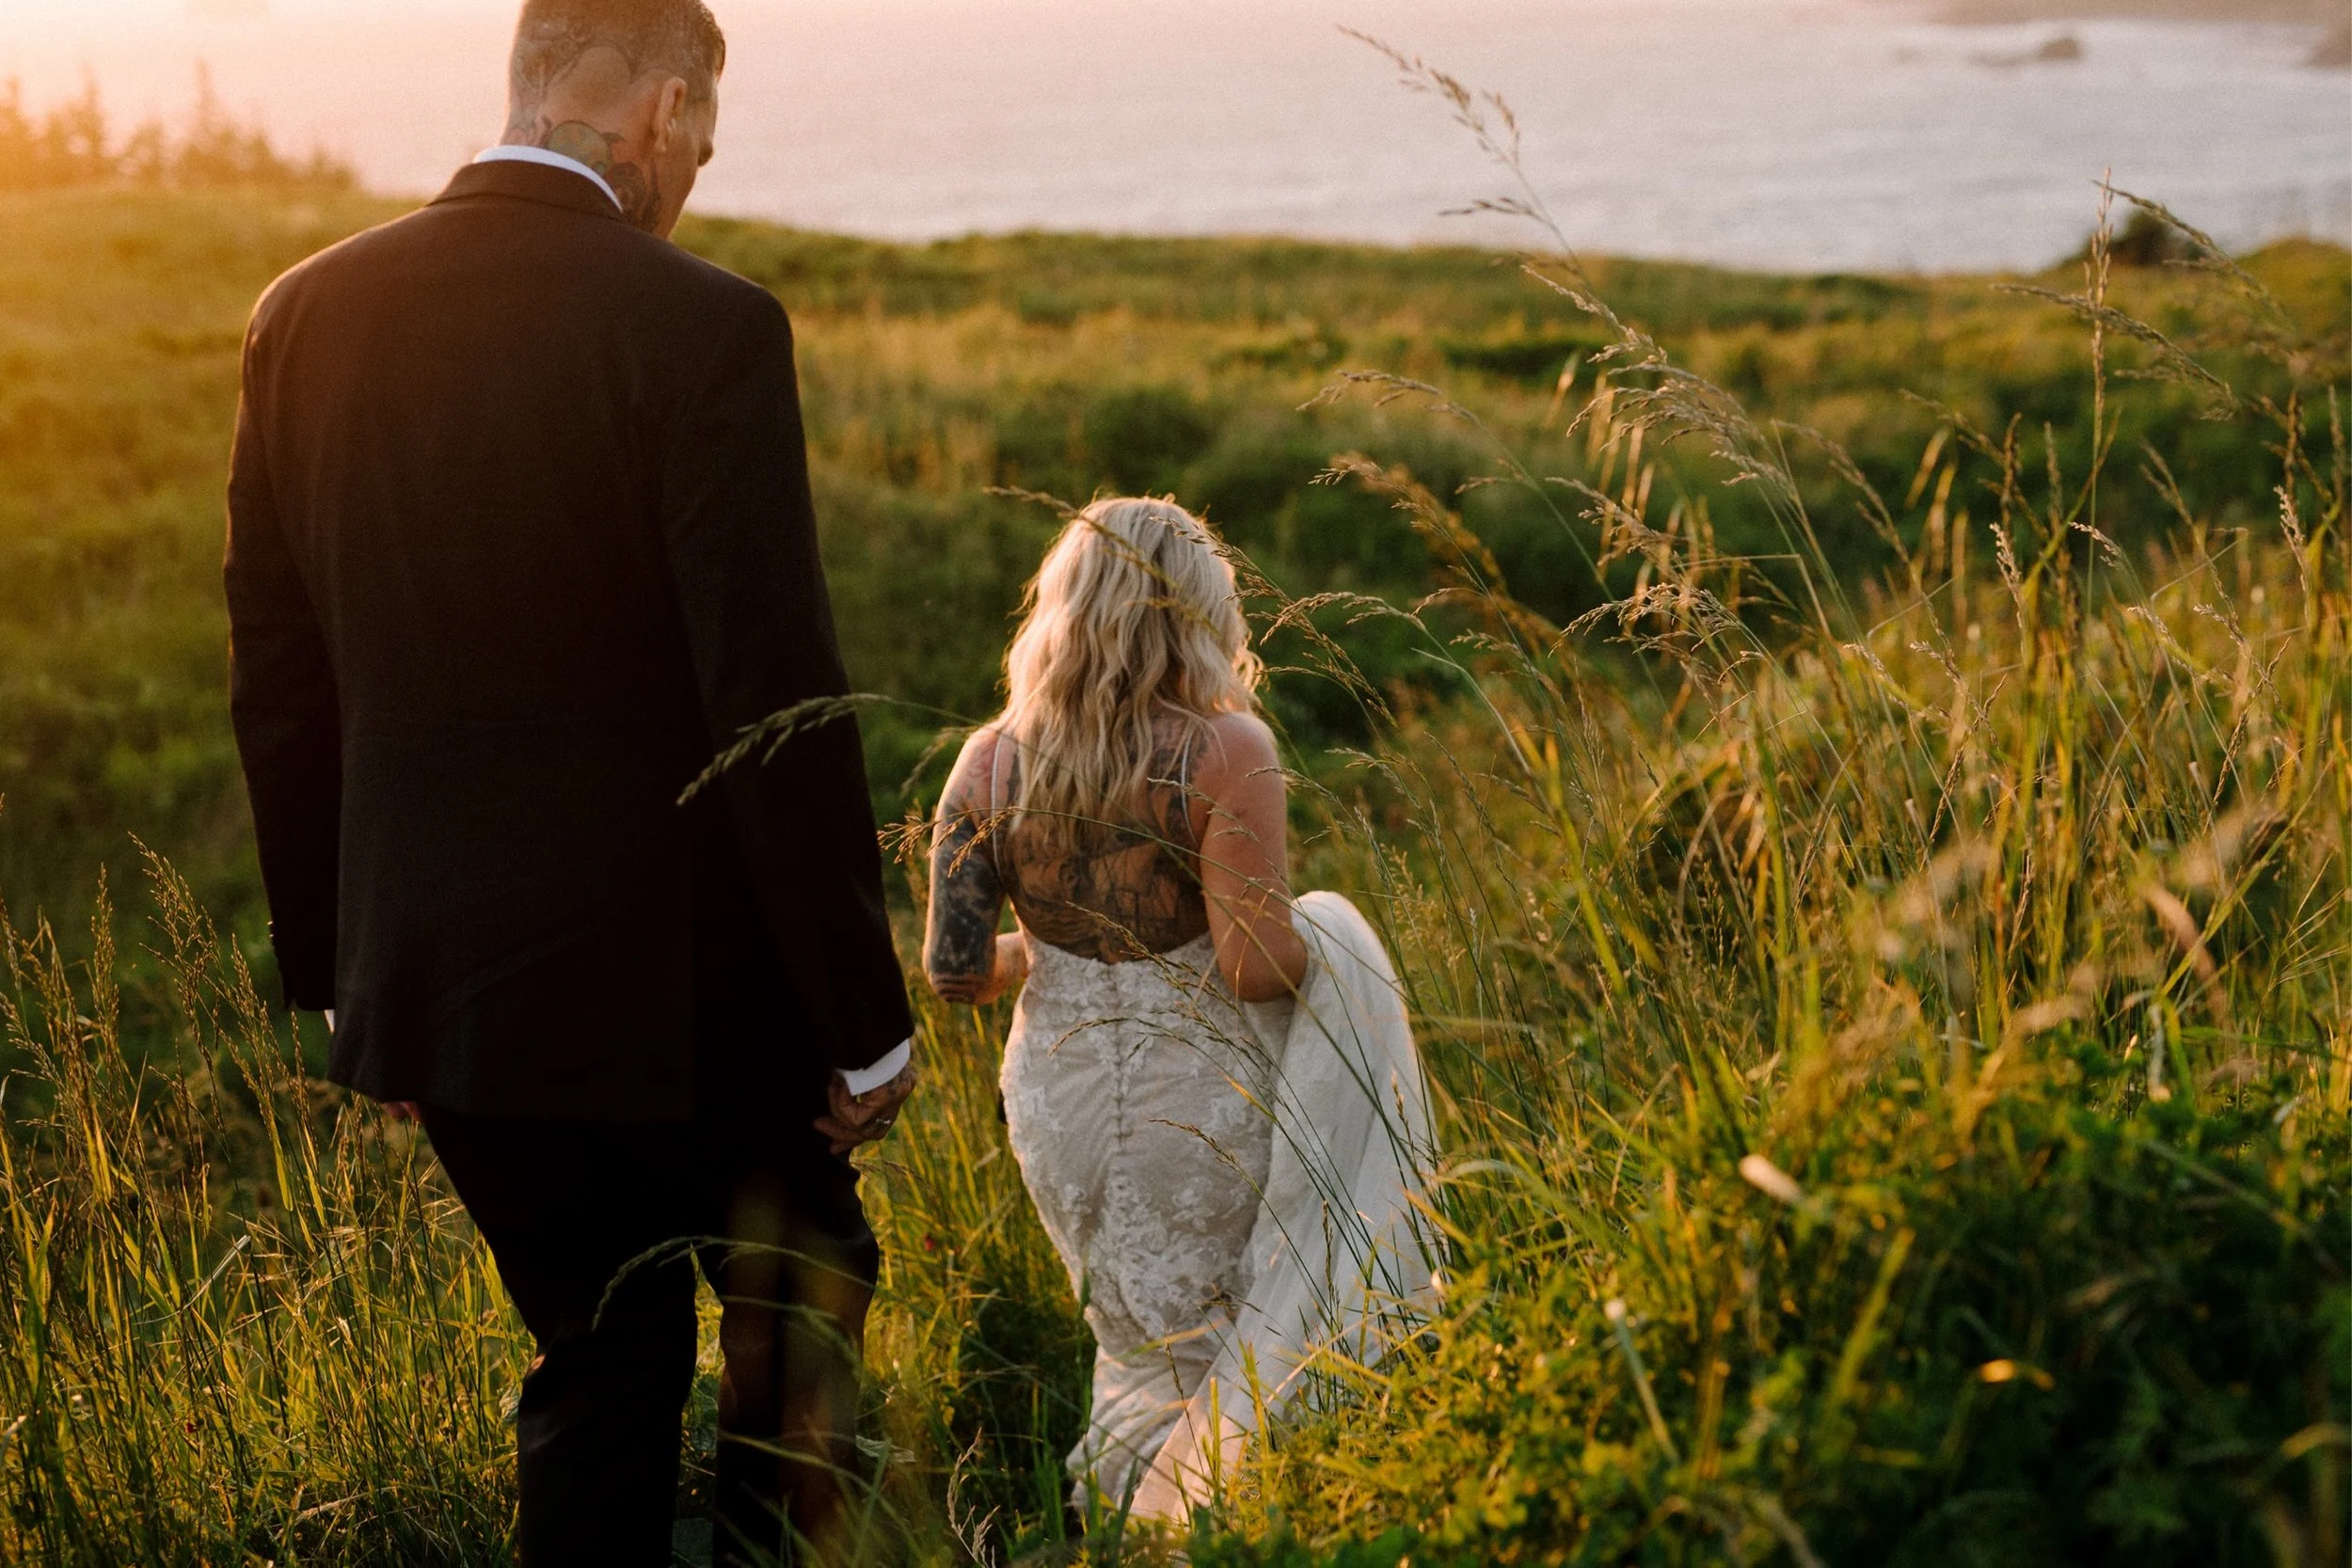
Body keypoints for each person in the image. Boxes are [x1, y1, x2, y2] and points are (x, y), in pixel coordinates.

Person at [223, 2, 916, 1560]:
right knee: (799, 1303)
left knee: (597, 1356)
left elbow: (278, 673)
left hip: (446, 997)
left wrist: (344, 978)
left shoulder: (303, 313)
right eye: (705, 145)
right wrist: (863, 1020)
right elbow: (776, 705)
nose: (695, 183)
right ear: (665, 111)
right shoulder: (706, 326)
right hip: (693, 995)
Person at [924, 499, 1432, 1519]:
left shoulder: (985, 762)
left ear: (1060, 608)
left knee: (1136, 1336)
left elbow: (954, 970)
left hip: (1057, 1106)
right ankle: (1234, 1520)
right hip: (1199, 1100)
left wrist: (1063, 953)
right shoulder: (1222, 749)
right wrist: (1330, 928)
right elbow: (1251, 966)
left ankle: (1122, 1509)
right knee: (1226, 1341)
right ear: (1197, 611)